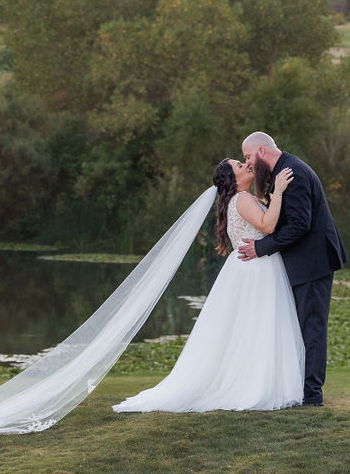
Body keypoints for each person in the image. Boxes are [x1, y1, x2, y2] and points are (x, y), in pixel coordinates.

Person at [113, 157, 304, 414]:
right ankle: (257, 386)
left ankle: (257, 382)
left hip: (250, 268)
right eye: (239, 165)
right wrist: (278, 192)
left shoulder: (242, 199)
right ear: (234, 179)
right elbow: (268, 226)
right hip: (256, 270)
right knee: (259, 325)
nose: (245, 165)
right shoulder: (242, 199)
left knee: (251, 328)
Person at [237, 130, 346, 407]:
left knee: (312, 327)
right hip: (302, 262)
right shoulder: (280, 173)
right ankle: (298, 387)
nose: (248, 163)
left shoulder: (292, 173)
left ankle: (312, 394)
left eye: (248, 156)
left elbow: (299, 225)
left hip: (313, 262)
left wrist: (261, 247)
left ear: (262, 151)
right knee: (300, 327)